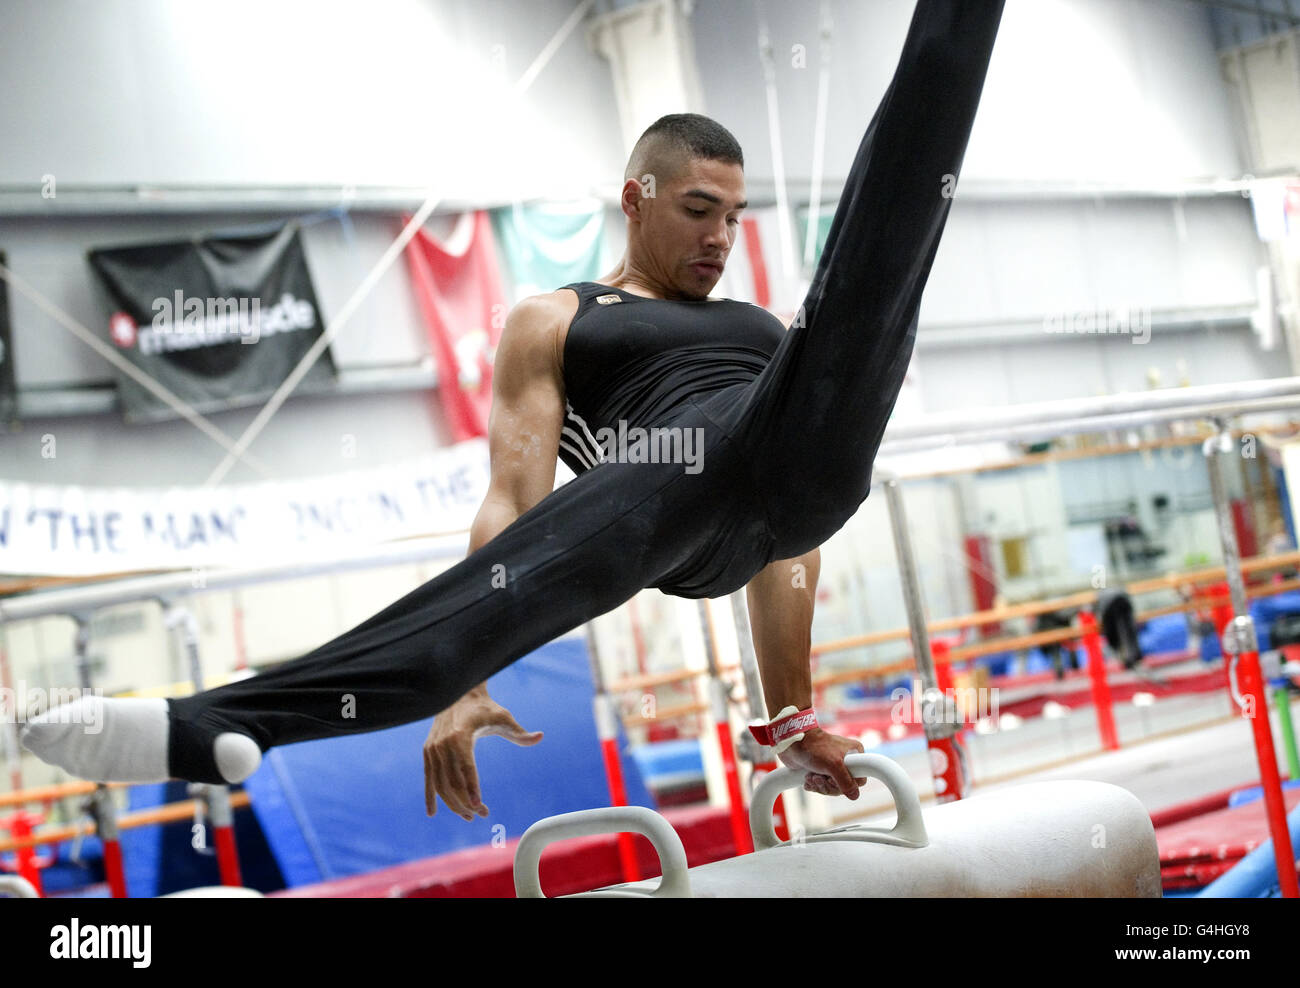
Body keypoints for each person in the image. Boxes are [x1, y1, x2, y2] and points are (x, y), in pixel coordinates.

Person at [22, 0, 1006, 819]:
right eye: (698, 209)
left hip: (797, 483)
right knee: (679, 461)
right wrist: (471, 675)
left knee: (880, 252)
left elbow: (789, 553)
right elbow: (511, 503)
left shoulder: (756, 326)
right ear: (637, 196)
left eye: (733, 216)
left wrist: (788, 715)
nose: (720, 236)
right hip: (667, 506)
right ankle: (221, 721)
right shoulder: (555, 317)